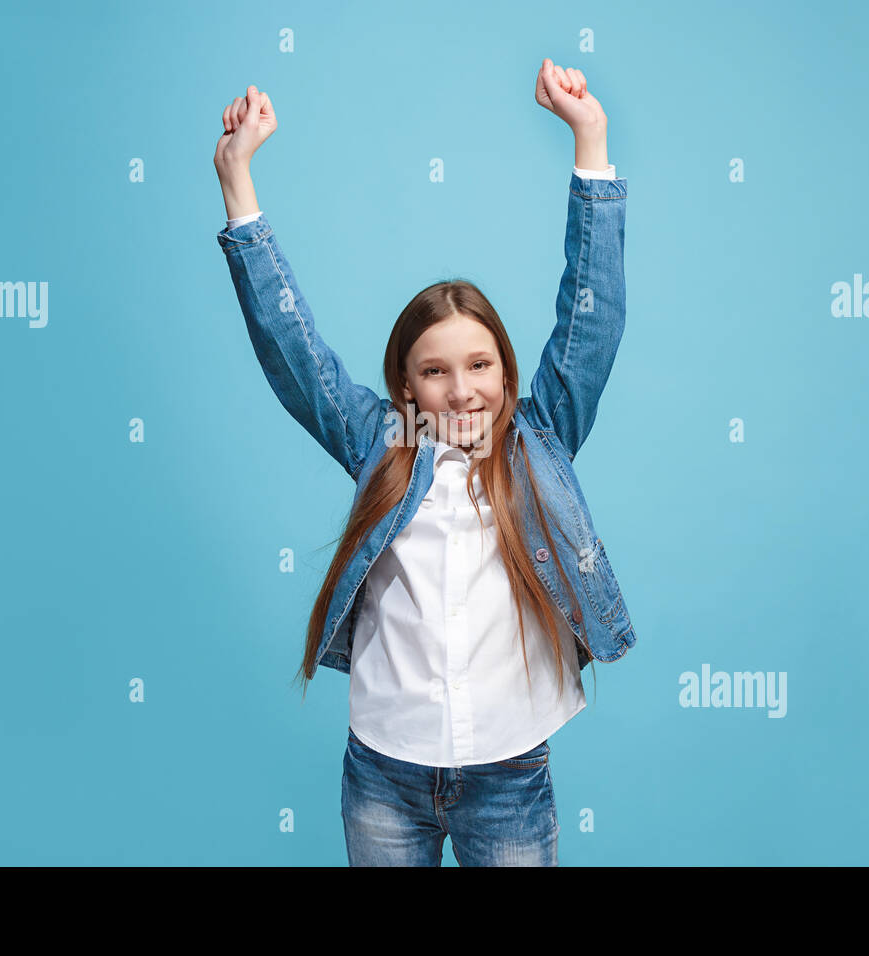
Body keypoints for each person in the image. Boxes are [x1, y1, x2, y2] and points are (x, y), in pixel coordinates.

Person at [213, 58, 635, 866]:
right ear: (404, 382)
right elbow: (288, 344)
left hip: (510, 770)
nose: (462, 389)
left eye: (480, 365)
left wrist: (592, 141)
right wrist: (239, 181)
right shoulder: (382, 446)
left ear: (507, 373)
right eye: (435, 371)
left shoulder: (539, 440)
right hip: (384, 771)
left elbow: (596, 310)